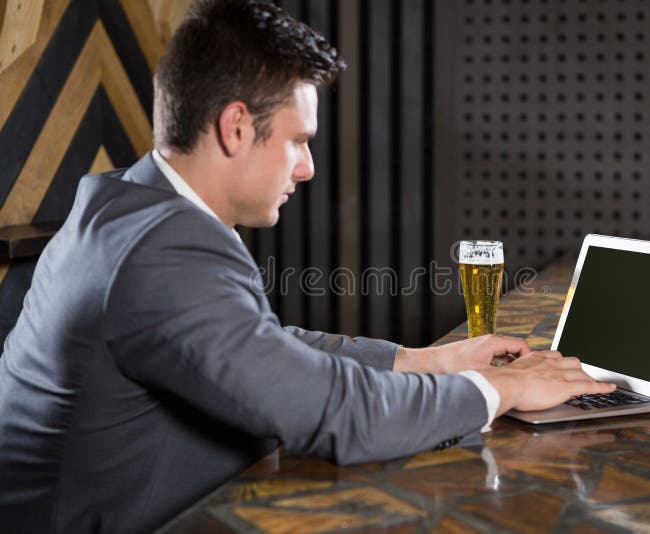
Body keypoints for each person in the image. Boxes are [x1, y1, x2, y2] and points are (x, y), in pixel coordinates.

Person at [0, 1, 615, 532]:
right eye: (298, 140)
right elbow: (336, 415)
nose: (308, 168)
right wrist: (502, 389)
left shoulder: (127, 203)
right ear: (236, 126)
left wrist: (422, 360)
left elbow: (259, 348)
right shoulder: (165, 249)